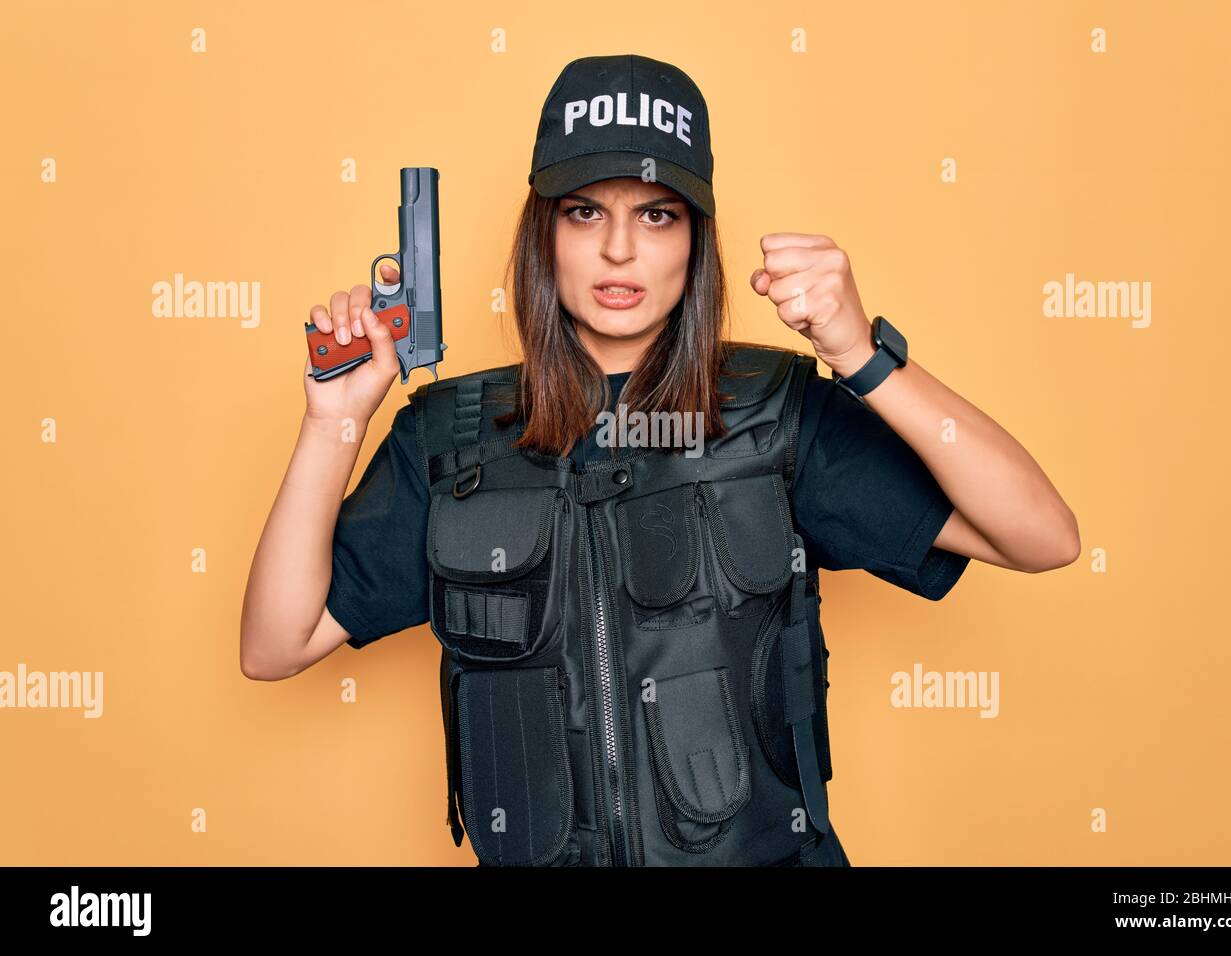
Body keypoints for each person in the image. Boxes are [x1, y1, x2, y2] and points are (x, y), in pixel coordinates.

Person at [240, 54, 1079, 867]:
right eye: (583, 212)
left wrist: (864, 358)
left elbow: (1040, 536)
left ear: (695, 241)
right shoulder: (451, 437)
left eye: (655, 214)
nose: (618, 251)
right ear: (544, 237)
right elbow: (275, 646)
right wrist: (333, 424)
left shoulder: (773, 412)